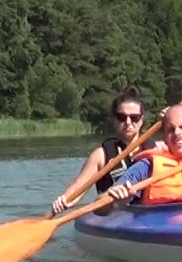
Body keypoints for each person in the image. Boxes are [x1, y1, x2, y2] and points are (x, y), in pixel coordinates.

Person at [51, 87, 164, 215]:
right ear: (114, 119)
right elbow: (77, 189)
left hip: (150, 212)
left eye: (134, 117)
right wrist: (63, 201)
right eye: (122, 117)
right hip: (112, 213)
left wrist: (171, 119)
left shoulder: (158, 149)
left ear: (142, 120)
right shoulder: (101, 155)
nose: (128, 122)